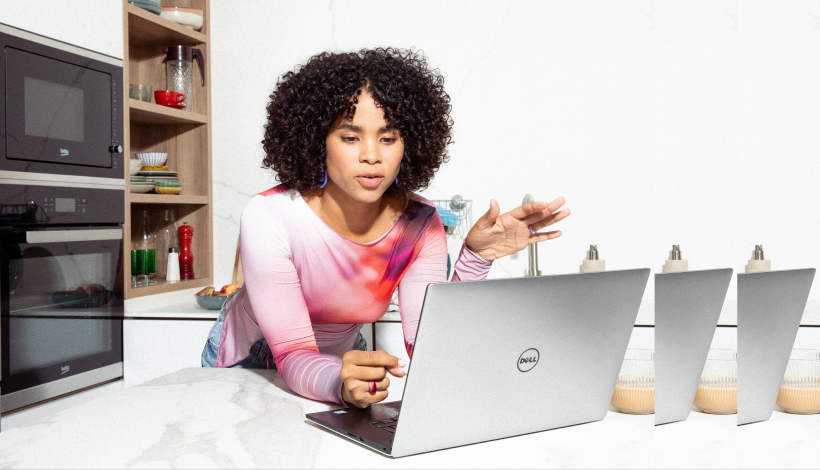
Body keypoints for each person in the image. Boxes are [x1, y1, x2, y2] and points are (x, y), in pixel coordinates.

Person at [202, 48, 570, 409]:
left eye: (388, 137)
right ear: (317, 142)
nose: (372, 155)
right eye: (350, 137)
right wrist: (341, 384)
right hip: (251, 360)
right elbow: (294, 352)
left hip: (345, 365)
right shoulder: (271, 216)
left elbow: (433, 346)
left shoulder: (419, 223)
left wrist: (476, 257)